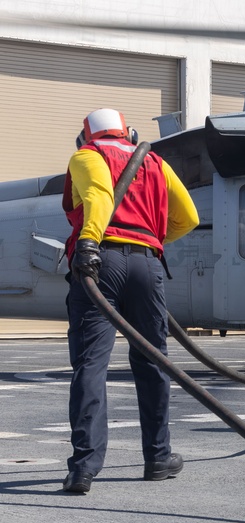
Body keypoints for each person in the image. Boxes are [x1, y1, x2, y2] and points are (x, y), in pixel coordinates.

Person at [62, 108, 199, 494]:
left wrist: (89, 241)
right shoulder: (155, 161)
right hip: (146, 265)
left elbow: (99, 195)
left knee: (91, 363)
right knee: (153, 359)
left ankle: (84, 468)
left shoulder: (87, 156)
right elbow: (187, 216)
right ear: (127, 132)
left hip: (100, 262)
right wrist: (151, 240)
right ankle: (158, 458)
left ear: (85, 135)